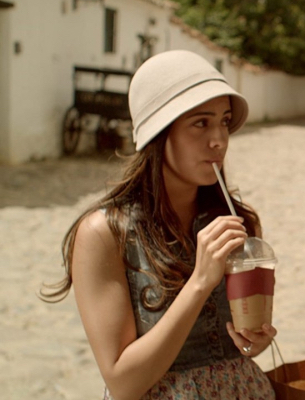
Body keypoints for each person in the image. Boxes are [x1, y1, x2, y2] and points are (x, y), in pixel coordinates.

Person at [41, 50, 277, 400]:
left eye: (224, 121)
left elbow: (237, 346)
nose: (219, 139)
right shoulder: (105, 234)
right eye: (201, 123)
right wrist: (199, 282)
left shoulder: (236, 221)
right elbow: (122, 382)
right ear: (159, 133)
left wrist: (252, 342)